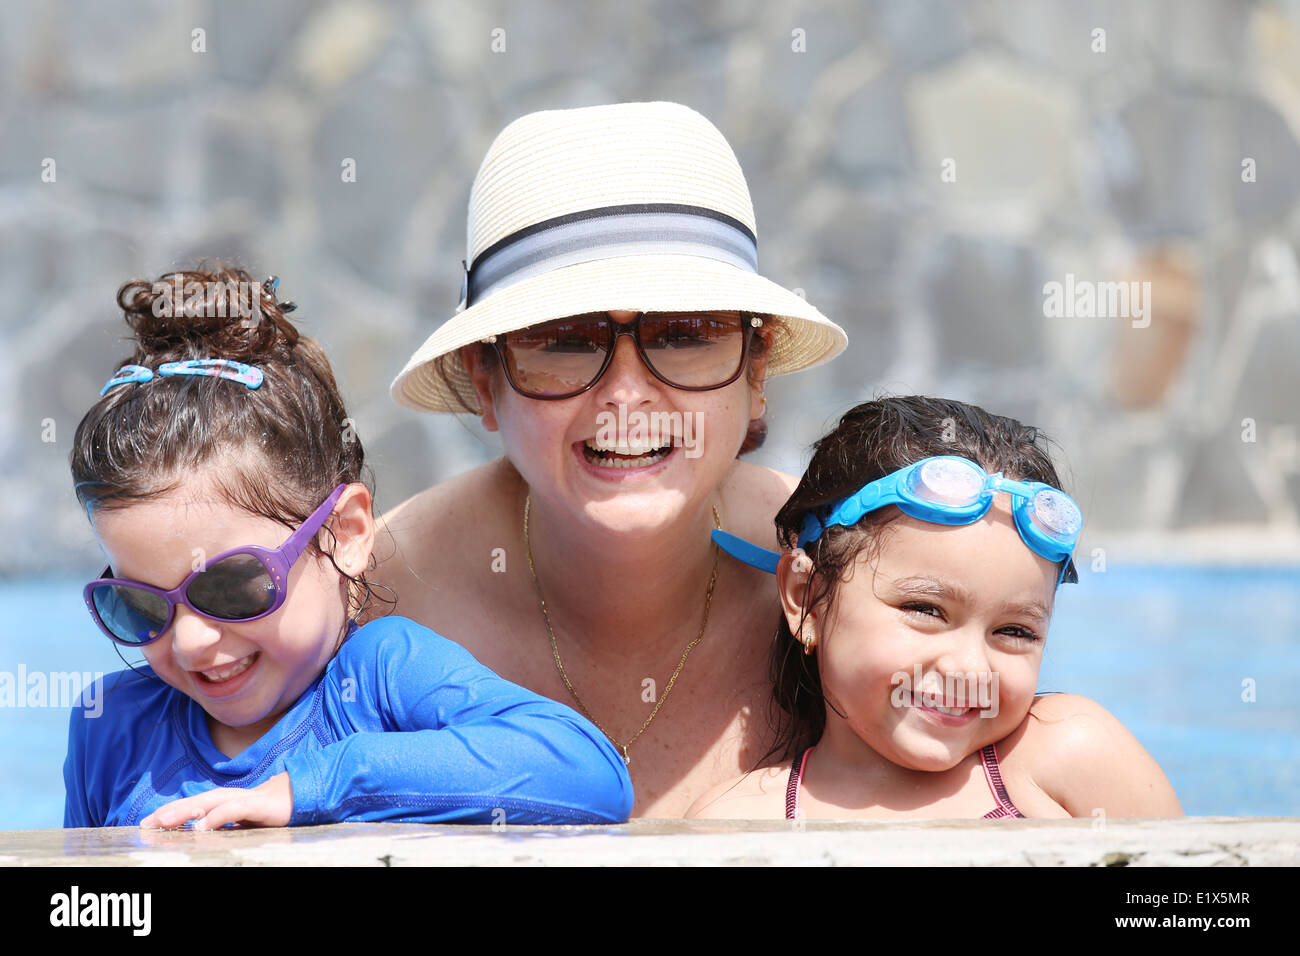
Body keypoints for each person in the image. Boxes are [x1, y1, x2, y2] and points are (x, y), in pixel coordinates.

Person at [377, 101, 848, 815]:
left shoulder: (847, 579)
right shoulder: (378, 596)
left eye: (686, 333)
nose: (626, 395)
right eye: (565, 340)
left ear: (757, 371)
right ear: (484, 379)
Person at [64, 266, 633, 829]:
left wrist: (324, 784)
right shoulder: (112, 730)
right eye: (137, 606)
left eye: (230, 587)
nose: (189, 642)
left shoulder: (380, 680)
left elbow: (588, 772)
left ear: (345, 534)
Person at [686, 396, 1183, 819]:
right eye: (925, 610)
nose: (969, 668)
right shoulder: (742, 822)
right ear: (806, 597)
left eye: (1016, 632)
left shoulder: (1068, 757)